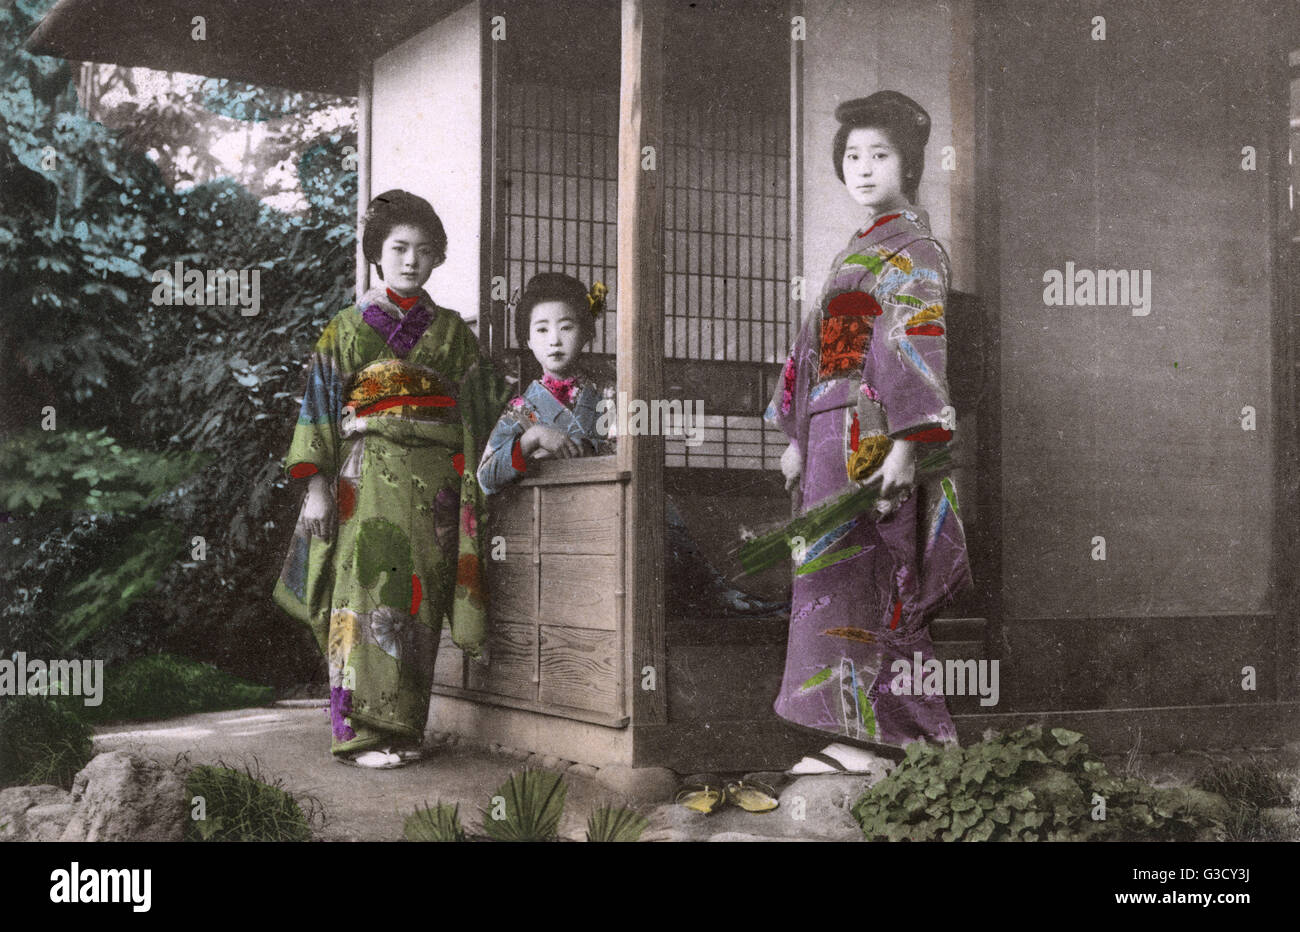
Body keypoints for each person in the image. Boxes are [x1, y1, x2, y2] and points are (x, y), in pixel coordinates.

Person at [764, 92, 973, 774]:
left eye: (879, 155)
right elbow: (816, 350)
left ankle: (895, 740)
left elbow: (915, 343)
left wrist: (912, 443)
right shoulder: (854, 253)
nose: (862, 168)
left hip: (879, 433)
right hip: (831, 432)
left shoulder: (915, 249)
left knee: (877, 576)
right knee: (829, 577)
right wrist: (799, 434)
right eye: (852, 155)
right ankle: (851, 735)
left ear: (907, 166)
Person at [273, 190, 510, 768]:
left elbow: (486, 407)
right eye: (399, 247)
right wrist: (316, 487)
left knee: (417, 600)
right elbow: (319, 409)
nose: (411, 260)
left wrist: (533, 428)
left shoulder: (454, 333)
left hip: (436, 482)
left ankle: (403, 732)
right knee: (361, 596)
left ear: (437, 259)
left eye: (424, 251)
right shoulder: (346, 328)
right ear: (376, 254)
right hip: (363, 480)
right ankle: (355, 733)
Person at [477, 272, 782, 616]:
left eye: (566, 326)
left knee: (658, 516)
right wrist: (532, 438)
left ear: (587, 333)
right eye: (542, 330)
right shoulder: (521, 410)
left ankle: (713, 595)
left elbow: (630, 456)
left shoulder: (609, 394)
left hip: (606, 519)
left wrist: (589, 450)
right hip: (549, 530)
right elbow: (486, 476)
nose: (555, 340)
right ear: (528, 340)